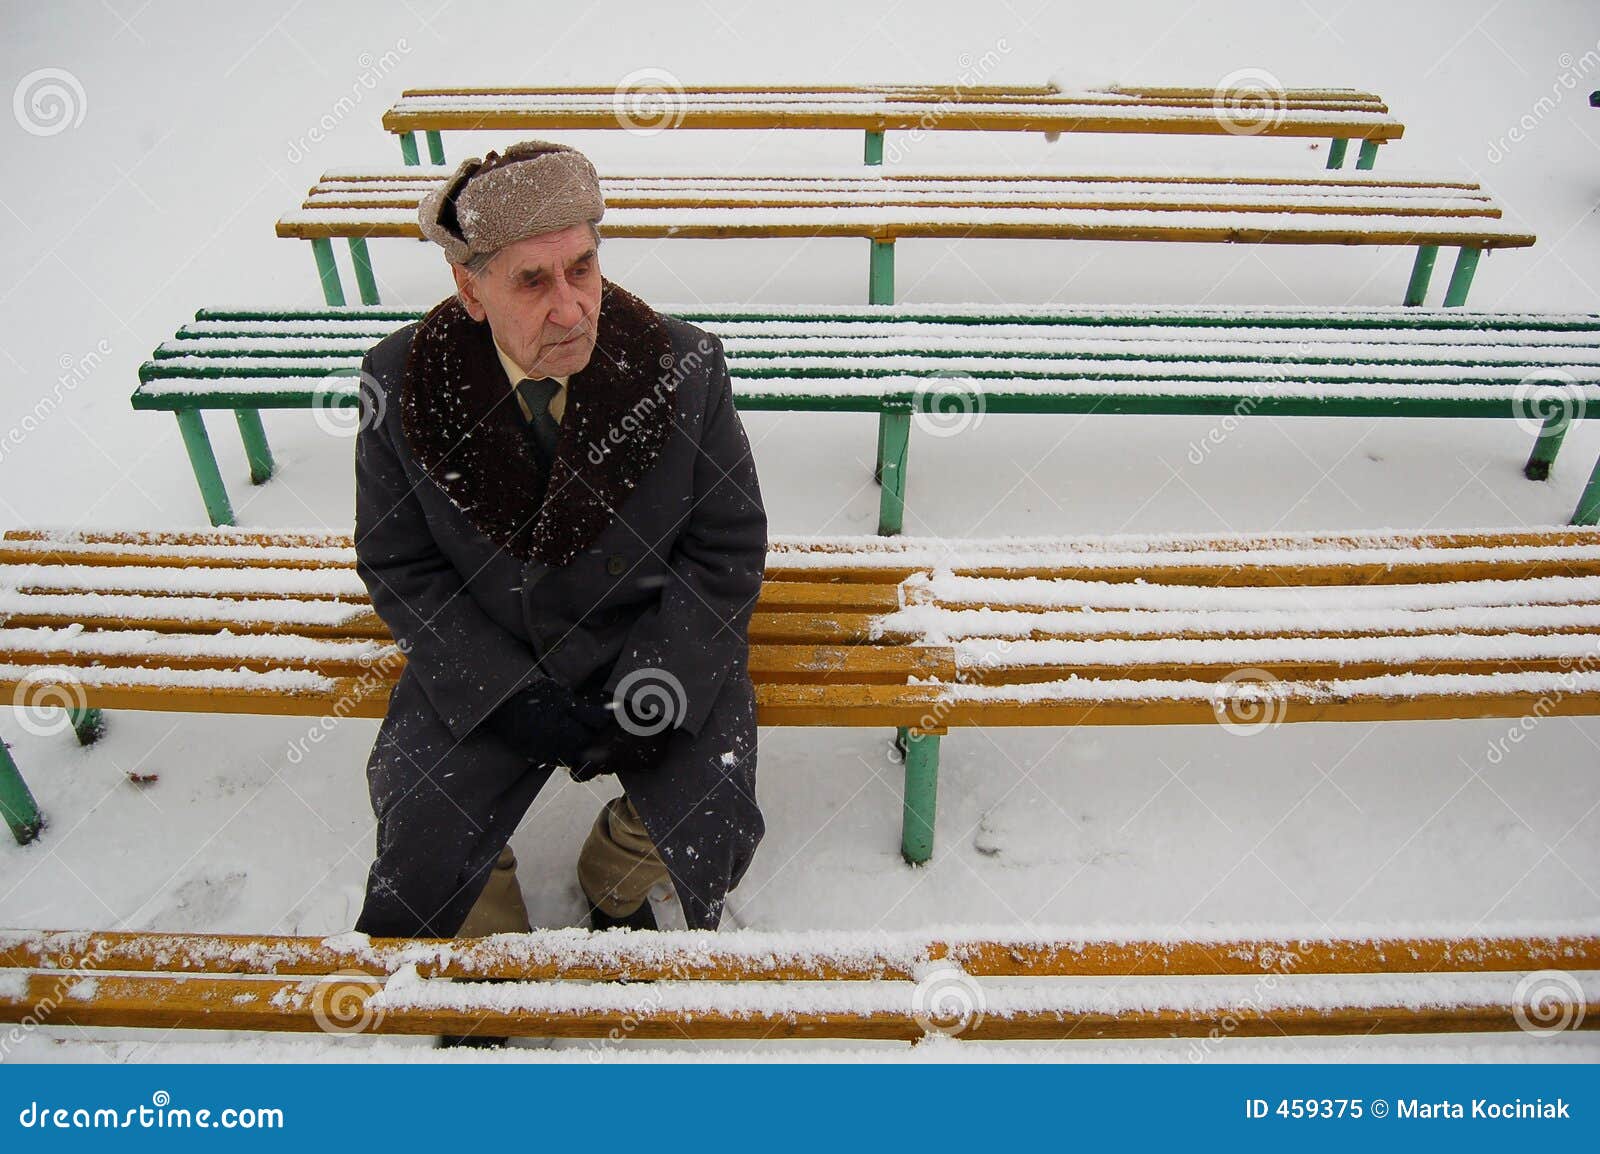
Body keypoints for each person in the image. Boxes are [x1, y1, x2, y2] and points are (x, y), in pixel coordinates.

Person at [350, 141, 767, 964]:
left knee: (712, 798)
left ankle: (615, 878)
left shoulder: (684, 366)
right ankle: (490, 937)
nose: (572, 308)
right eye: (532, 282)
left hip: (643, 634)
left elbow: (725, 548)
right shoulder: (401, 381)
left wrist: (663, 686)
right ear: (470, 289)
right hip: (491, 643)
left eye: (582, 267)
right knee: (424, 818)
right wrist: (504, 695)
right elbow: (400, 564)